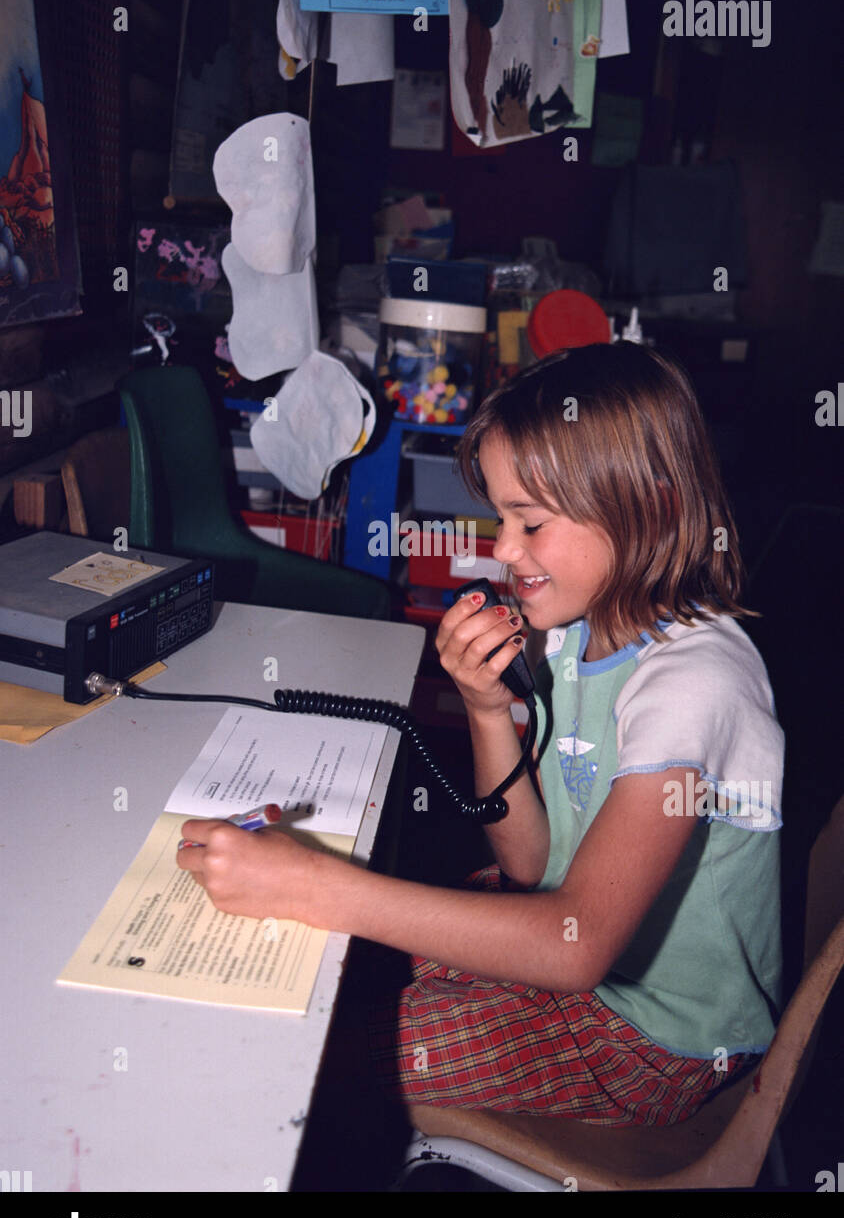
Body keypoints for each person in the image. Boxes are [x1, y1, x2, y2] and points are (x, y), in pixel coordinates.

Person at [177, 343, 783, 1128]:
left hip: (654, 1039)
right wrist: (486, 708)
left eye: (530, 521)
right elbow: (531, 865)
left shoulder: (697, 685)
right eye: (501, 518)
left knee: (313, 1052)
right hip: (580, 952)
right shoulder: (578, 634)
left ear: (654, 509)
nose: (502, 550)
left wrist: (313, 886)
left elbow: (574, 946)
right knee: (334, 966)